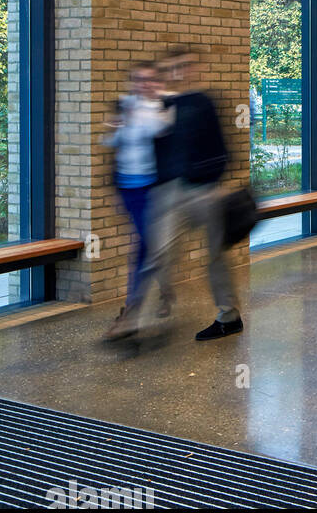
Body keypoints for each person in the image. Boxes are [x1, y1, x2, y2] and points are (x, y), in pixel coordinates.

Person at [136, 46, 244, 341]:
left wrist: (215, 183)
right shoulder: (162, 105)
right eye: (173, 67)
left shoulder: (205, 103)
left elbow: (222, 148)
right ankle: (139, 319)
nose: (179, 72)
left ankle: (229, 316)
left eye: (185, 66)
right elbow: (152, 148)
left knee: (215, 255)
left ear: (195, 68)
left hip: (204, 190)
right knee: (158, 253)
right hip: (169, 192)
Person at [100, 63, 172, 341]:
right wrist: (116, 127)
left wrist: (148, 119)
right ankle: (162, 290)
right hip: (127, 187)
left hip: (152, 188)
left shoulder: (163, 108)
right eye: (139, 80)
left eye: (149, 80)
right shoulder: (126, 106)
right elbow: (110, 142)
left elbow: (162, 135)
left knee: (144, 246)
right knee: (147, 246)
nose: (144, 84)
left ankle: (132, 310)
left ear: (157, 82)